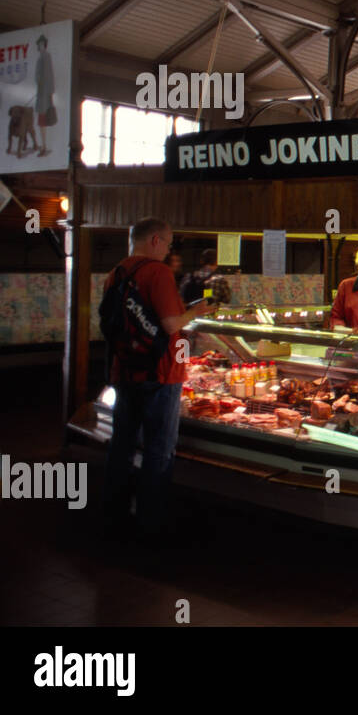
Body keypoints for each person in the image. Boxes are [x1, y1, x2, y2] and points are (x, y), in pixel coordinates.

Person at [103, 217, 215, 542]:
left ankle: (114, 513)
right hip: (161, 375)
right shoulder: (158, 272)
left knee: (122, 444)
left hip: (124, 370)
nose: (168, 250)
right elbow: (169, 324)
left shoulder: (117, 272)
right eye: (167, 244)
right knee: (159, 449)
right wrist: (197, 312)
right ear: (154, 240)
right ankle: (150, 522)